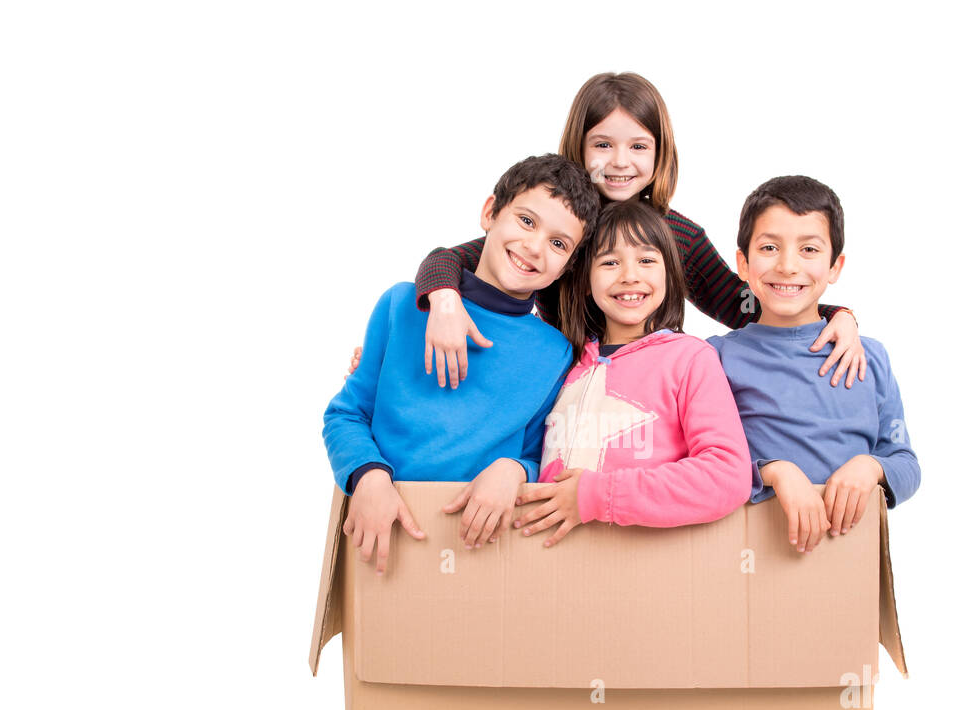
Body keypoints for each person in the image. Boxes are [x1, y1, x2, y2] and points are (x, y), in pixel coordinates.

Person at [347, 72, 868, 389]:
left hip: (655, 388)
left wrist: (833, 314)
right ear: (579, 144)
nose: (620, 162)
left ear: (660, 151)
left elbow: (746, 303)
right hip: (561, 385)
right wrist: (437, 305)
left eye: (638, 146)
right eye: (603, 145)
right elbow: (450, 259)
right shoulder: (560, 223)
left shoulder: (677, 234)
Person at [323, 154, 600, 572]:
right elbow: (346, 414)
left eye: (558, 243)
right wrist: (367, 476)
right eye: (526, 221)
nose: (534, 247)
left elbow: (541, 452)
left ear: (568, 264)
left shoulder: (554, 352)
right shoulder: (402, 304)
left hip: (486, 550)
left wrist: (514, 470)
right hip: (384, 535)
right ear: (490, 212)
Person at [512, 200, 751, 546]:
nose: (629, 275)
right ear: (583, 280)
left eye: (647, 260)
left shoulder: (691, 359)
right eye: (609, 262)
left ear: (670, 275)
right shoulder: (563, 360)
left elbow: (727, 476)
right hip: (550, 563)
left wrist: (598, 495)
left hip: (643, 564)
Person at [710, 175, 921, 555]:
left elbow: (905, 463)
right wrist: (773, 470)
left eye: (808, 249)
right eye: (770, 247)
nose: (788, 266)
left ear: (835, 267)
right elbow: (699, 462)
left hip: (845, 566)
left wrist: (870, 467)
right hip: (745, 561)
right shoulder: (716, 358)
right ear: (742, 262)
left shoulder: (869, 358)